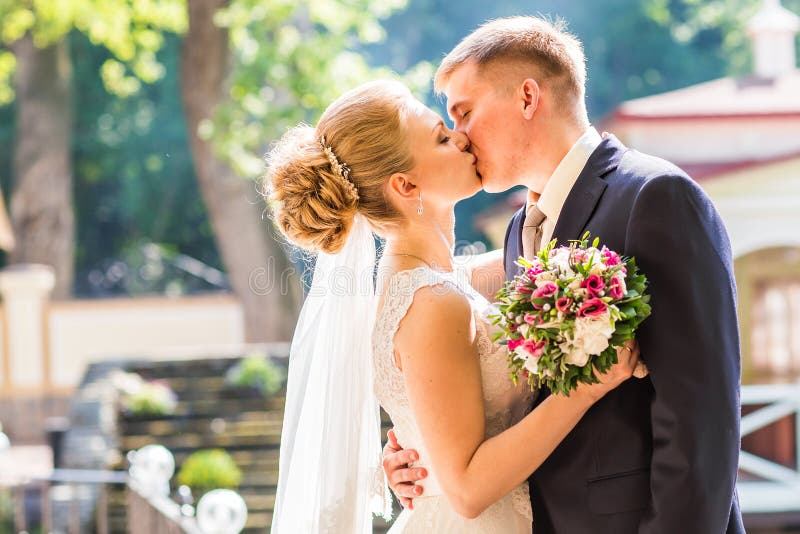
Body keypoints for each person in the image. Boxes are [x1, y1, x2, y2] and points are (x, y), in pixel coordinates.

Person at [383, 15, 744, 534]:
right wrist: (423, 455)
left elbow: (702, 421)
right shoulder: (515, 233)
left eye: (464, 113)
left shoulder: (655, 197)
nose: (459, 138)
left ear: (528, 97)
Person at [266, 79, 642, 532]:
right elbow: (466, 489)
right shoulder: (432, 302)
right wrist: (586, 389)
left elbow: (518, 264)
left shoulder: (442, 281)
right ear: (405, 185)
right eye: (442, 138)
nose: (461, 138)